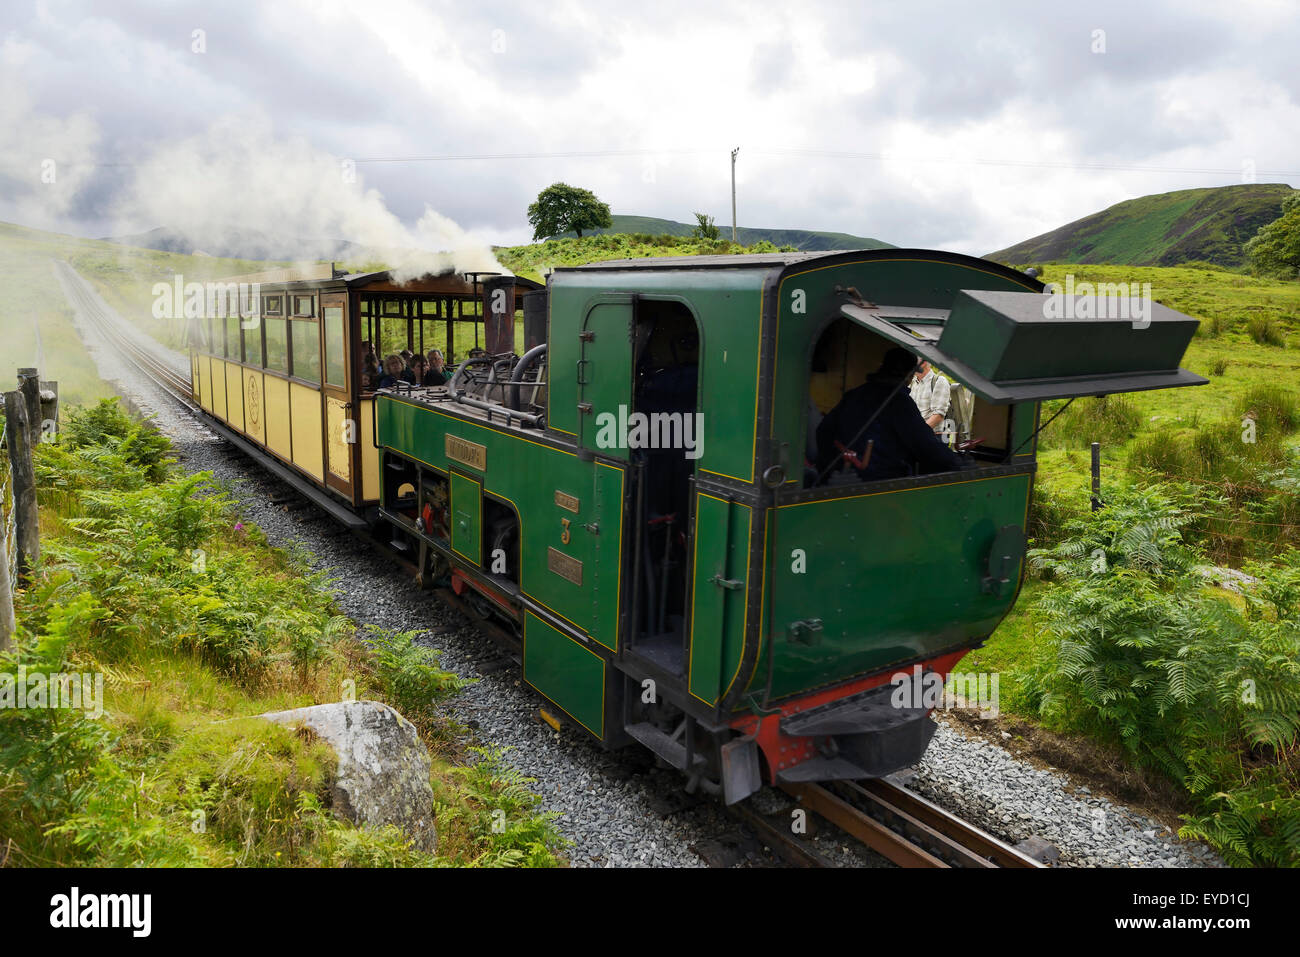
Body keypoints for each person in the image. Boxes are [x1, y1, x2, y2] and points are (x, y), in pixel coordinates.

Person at [816, 348, 966, 483]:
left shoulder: (853, 395)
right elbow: (925, 444)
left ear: (882, 367)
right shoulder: (899, 403)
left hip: (840, 477)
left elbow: (823, 431)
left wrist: (832, 466)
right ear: (908, 375)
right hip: (882, 481)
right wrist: (959, 464)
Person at [910, 359, 951, 433]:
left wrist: (917, 433)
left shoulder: (939, 381)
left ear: (923, 363)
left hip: (931, 437)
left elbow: (938, 416)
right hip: (913, 436)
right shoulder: (912, 383)